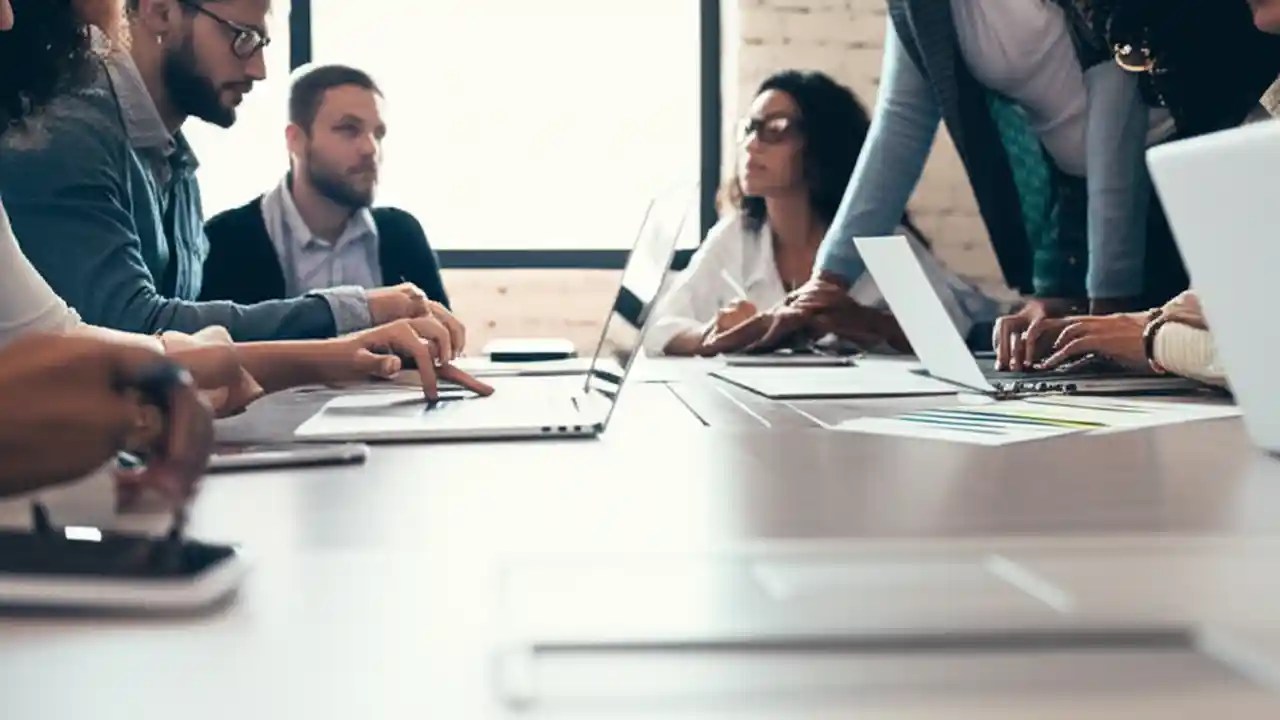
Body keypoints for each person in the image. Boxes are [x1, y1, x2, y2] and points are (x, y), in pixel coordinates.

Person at [785, 0, 1197, 371]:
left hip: (1168, 183)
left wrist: (1109, 300)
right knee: (1064, 374)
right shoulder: (918, 8)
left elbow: (1117, 93)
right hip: (1076, 199)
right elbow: (902, 121)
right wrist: (824, 284)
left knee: (1182, 361)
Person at [0, 0, 445, 342]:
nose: (259, 69)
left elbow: (197, 349)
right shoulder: (63, 133)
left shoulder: (180, 168)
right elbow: (139, 331)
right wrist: (355, 314)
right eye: (242, 38)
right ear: (160, 11)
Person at [1010, 0, 1280, 387]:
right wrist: (1116, 324)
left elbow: (1265, 350)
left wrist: (1154, 339)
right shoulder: (1265, 113)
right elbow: (1242, 299)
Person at [645, 70, 1001, 357]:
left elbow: (950, 338)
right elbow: (661, 326)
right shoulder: (738, 235)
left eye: (777, 130)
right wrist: (715, 337)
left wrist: (866, 322)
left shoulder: (879, 237)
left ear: (822, 143)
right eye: (750, 129)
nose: (752, 145)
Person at [202, 64, 450, 309]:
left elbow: (443, 342)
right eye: (349, 129)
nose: (370, 148)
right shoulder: (225, 242)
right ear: (296, 140)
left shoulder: (402, 236)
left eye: (378, 134)